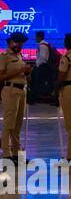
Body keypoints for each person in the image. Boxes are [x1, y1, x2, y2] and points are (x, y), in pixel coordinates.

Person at [0, 32, 32, 161]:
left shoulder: (19, 56)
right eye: (17, 42)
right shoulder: (4, 57)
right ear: (10, 42)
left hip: (22, 90)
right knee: (9, 123)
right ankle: (6, 153)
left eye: (21, 43)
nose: (20, 45)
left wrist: (27, 73)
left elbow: (22, 74)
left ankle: (16, 153)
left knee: (18, 123)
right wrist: (20, 71)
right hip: (10, 90)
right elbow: (1, 76)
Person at [31, 31, 56, 103]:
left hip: (43, 67)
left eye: (36, 37)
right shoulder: (46, 44)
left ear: (39, 37)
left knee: (36, 82)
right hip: (46, 66)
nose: (35, 38)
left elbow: (43, 57)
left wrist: (37, 65)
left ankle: (32, 99)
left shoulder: (42, 45)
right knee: (47, 83)